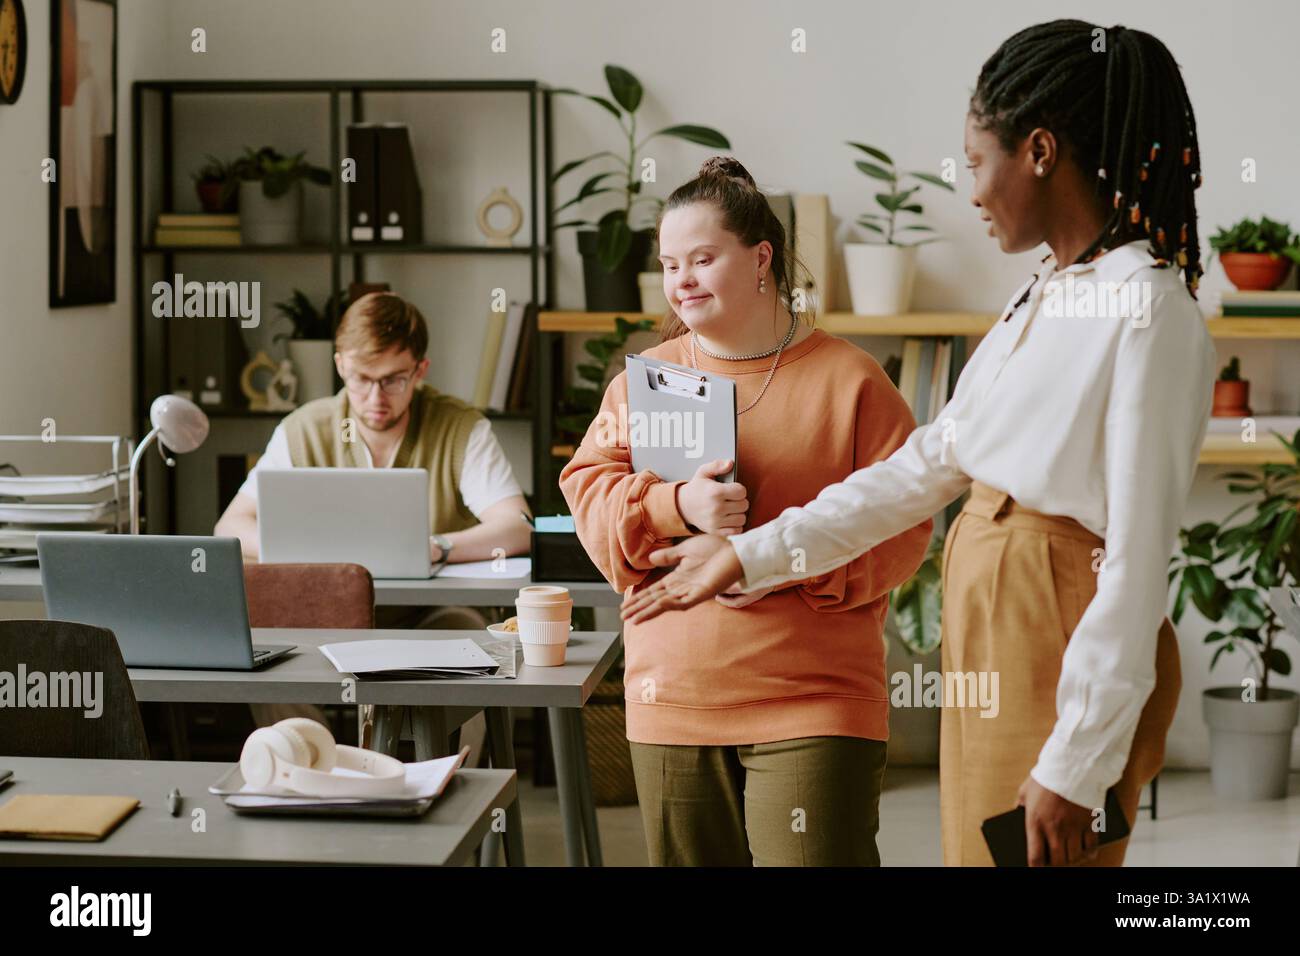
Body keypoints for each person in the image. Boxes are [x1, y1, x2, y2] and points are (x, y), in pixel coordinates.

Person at [622, 20, 1215, 868]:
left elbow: (1136, 558)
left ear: (1040, 151)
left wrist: (1077, 764)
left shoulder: (1146, 308)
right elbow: (926, 466)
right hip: (995, 620)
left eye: (978, 163)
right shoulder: (1040, 297)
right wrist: (747, 556)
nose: (971, 191)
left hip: (1056, 620)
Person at [559, 157, 932, 866]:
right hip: (671, 697)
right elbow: (588, 495)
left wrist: (766, 565)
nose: (682, 281)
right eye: (671, 264)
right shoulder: (644, 382)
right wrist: (676, 504)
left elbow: (904, 527)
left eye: (703, 258)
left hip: (814, 699)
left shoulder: (852, 379)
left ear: (761, 258)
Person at [216, 290, 532, 742]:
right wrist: (305, 553)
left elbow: (518, 526)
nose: (375, 397)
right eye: (362, 379)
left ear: (420, 370)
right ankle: (317, 770)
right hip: (323, 615)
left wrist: (438, 548)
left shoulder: (459, 426)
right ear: (341, 364)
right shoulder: (303, 428)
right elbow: (230, 526)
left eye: (393, 380)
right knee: (262, 648)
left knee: (477, 649)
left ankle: (455, 792)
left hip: (431, 615)